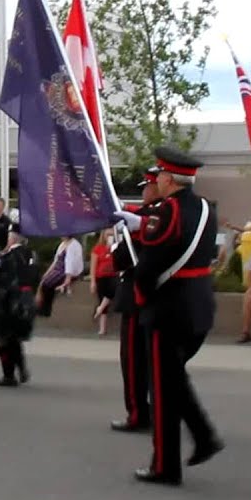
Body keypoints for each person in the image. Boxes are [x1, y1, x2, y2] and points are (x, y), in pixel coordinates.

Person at [116, 147, 223, 486]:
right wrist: (140, 222)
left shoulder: (169, 211)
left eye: (160, 175)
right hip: (200, 304)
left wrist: (143, 298)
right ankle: (204, 436)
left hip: (169, 308)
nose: (157, 180)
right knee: (174, 380)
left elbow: (150, 265)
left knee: (164, 389)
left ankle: (165, 465)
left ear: (167, 178)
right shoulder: (206, 208)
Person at [108, 166, 161, 433]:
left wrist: (115, 245)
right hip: (154, 298)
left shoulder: (151, 218)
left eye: (147, 186)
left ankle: (138, 413)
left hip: (137, 296)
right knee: (152, 361)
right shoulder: (156, 215)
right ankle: (154, 411)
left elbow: (122, 260)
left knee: (133, 360)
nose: (144, 191)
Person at [0, 224, 39, 386]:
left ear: (12, 237)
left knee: (3, 340)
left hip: (5, 303)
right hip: (25, 301)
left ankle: (8, 375)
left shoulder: (4, 258)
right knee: (15, 338)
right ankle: (22, 367)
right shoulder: (31, 255)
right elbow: (35, 276)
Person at [37, 235, 83, 319]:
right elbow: (55, 261)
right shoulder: (62, 244)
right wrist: (47, 273)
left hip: (66, 270)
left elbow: (70, 262)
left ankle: (46, 309)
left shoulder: (74, 245)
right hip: (58, 268)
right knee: (44, 282)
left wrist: (68, 278)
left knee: (47, 284)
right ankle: (43, 306)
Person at [90, 230, 118, 336]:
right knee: (102, 298)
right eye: (108, 235)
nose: (109, 237)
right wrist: (93, 281)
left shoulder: (116, 248)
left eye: (111, 235)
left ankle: (100, 308)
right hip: (101, 277)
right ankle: (102, 328)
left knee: (112, 290)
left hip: (113, 276)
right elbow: (93, 266)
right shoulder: (97, 249)